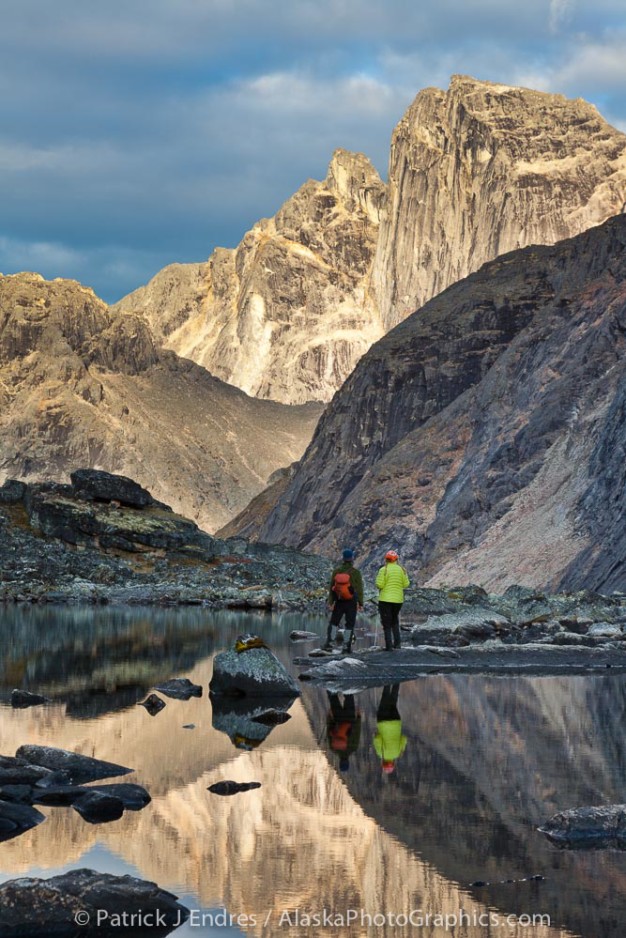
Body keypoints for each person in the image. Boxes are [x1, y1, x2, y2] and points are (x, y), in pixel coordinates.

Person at [324, 548, 364, 653]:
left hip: (339, 601)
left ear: (343, 558)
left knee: (333, 623)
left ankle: (329, 644)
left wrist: (331, 602)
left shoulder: (336, 571)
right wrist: (360, 603)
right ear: (352, 559)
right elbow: (359, 589)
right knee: (349, 624)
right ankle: (346, 647)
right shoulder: (356, 573)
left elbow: (331, 588)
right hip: (351, 602)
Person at [375, 549, 410, 651]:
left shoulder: (383, 570)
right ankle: (397, 644)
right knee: (395, 620)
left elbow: (379, 584)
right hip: (398, 600)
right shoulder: (402, 570)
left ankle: (389, 646)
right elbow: (406, 584)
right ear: (396, 559)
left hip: (385, 599)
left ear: (386, 559)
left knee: (386, 623)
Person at [373, 684, 406, 775]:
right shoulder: (381, 754)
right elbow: (377, 739)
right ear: (383, 763)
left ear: (393, 763)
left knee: (393, 700)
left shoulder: (398, 753)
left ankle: (397, 679)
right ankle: (387, 680)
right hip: (383, 722)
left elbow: (404, 738)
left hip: (396, 721)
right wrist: (375, 735)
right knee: (385, 697)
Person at [326, 692, 362, 772]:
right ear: (340, 762)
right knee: (333, 697)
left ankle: (344, 681)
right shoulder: (333, 748)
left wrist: (358, 717)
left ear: (348, 761)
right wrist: (329, 717)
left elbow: (357, 731)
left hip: (350, 719)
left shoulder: (353, 748)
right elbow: (329, 731)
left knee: (348, 695)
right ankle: (329, 681)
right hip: (337, 718)